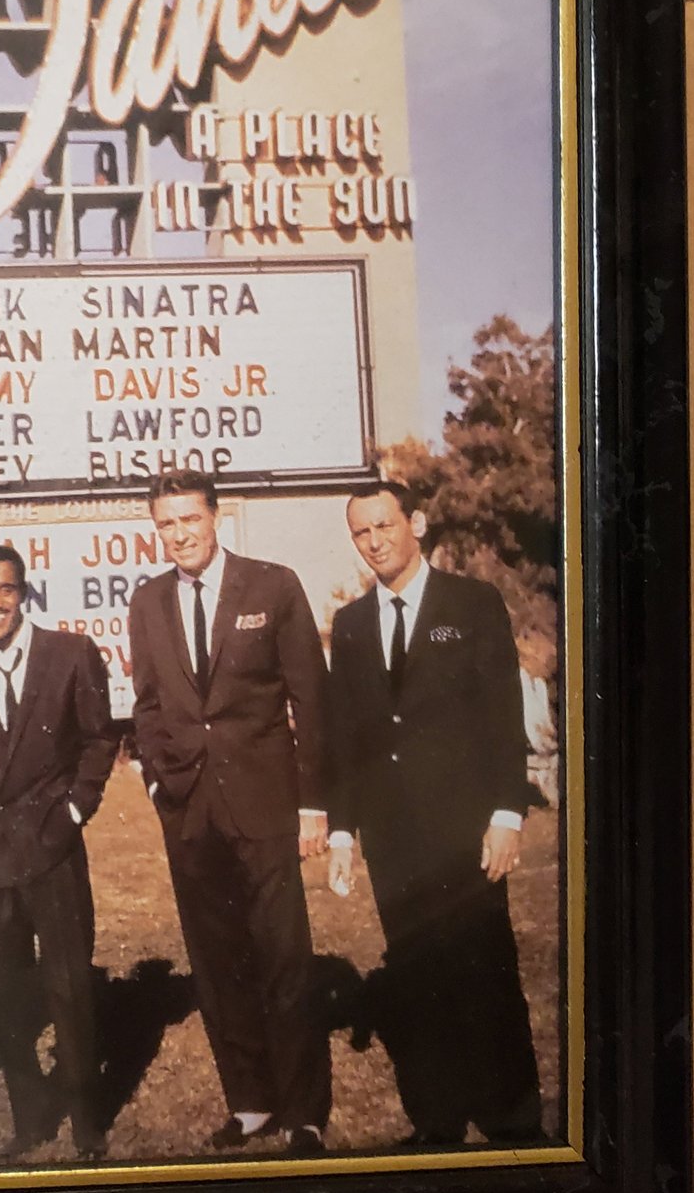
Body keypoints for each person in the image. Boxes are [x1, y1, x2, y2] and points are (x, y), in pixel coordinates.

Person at [327, 482, 542, 1145]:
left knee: (485, 974)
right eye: (362, 532)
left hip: (466, 834)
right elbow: (346, 739)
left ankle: (514, 1124)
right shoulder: (353, 625)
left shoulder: (471, 604)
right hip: (394, 841)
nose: (375, 542)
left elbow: (505, 717)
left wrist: (507, 813)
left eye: (385, 525)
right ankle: (438, 1120)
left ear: (415, 523)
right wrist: (342, 831)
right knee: (416, 979)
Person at [127, 470, 332, 1155]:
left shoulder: (271, 585)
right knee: (218, 962)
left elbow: (312, 698)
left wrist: (313, 804)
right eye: (167, 523)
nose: (180, 533)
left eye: (190, 518)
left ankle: (303, 1111)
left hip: (266, 805)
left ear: (216, 518)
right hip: (189, 811)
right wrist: (162, 786)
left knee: (283, 958)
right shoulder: (147, 601)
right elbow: (149, 706)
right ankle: (249, 1104)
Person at [0, 546, 116, 1162]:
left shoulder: (69, 655)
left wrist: (74, 811)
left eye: (6, 590)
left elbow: (100, 740)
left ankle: (87, 1123)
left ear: (24, 593)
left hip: (54, 848)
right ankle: (31, 1119)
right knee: (4, 992)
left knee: (70, 987)